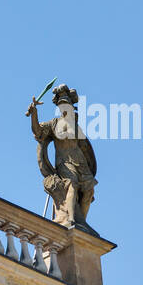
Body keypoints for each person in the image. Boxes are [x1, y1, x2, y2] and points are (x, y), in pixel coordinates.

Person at [29, 83, 97, 230]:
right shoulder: (54, 124)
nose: (64, 108)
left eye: (66, 105)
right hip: (64, 162)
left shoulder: (75, 126)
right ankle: (71, 219)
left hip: (80, 162)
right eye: (61, 106)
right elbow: (38, 132)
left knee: (89, 190)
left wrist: (90, 166)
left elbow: (85, 148)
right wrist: (34, 113)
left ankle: (82, 222)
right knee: (71, 184)